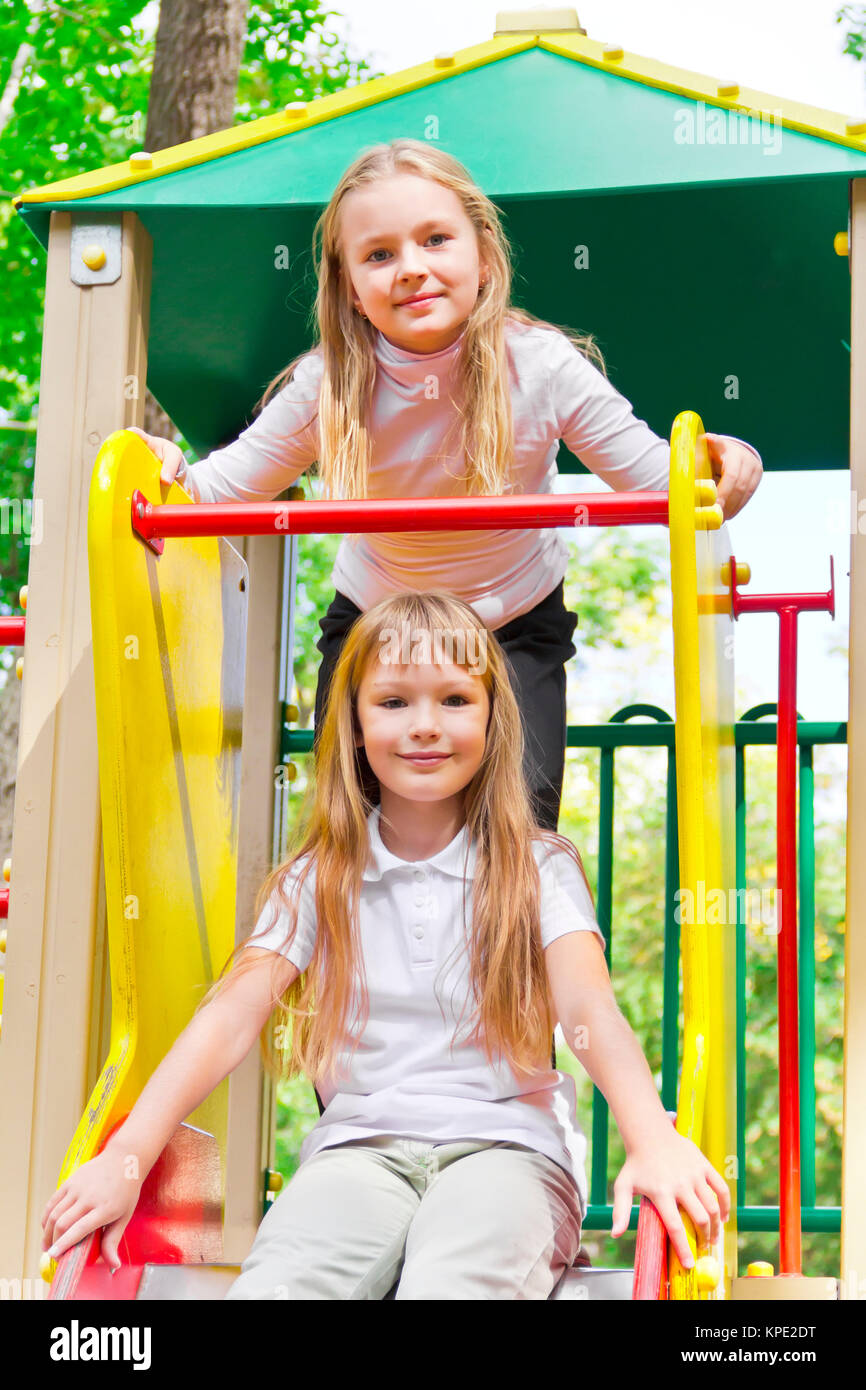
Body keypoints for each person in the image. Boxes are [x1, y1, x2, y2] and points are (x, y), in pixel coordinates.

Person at [41, 591, 730, 1300]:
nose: (425, 726)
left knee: (453, 1286)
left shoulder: (536, 865)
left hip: (508, 1151)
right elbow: (230, 1019)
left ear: (494, 717)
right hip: (358, 1154)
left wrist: (651, 1136)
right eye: (394, 702)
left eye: (456, 700)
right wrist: (128, 1154)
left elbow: (590, 1010)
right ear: (354, 722)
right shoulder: (318, 877)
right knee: (275, 1288)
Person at [128, 137, 763, 833]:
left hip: (512, 622)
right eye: (378, 254)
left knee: (519, 821)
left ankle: (515, 934)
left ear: (484, 258)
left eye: (435, 240)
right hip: (377, 622)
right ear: (348, 286)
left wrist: (721, 457)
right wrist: (166, 470)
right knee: (356, 823)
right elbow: (219, 493)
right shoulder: (330, 386)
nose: (411, 269)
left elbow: (659, 481)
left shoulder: (540, 367)